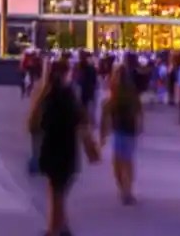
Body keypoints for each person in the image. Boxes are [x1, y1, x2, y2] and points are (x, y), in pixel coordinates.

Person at [30, 58, 100, 236]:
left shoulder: (46, 97)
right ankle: (60, 227)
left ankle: (55, 229)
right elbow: (82, 124)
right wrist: (91, 149)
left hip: (51, 150)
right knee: (58, 192)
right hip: (67, 151)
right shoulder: (69, 97)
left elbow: (33, 125)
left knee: (56, 192)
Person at [100, 63, 143, 205]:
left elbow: (137, 109)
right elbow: (138, 110)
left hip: (124, 130)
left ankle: (126, 190)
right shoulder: (117, 91)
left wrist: (103, 134)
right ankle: (126, 190)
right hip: (124, 130)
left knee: (122, 162)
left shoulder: (123, 91)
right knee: (124, 162)